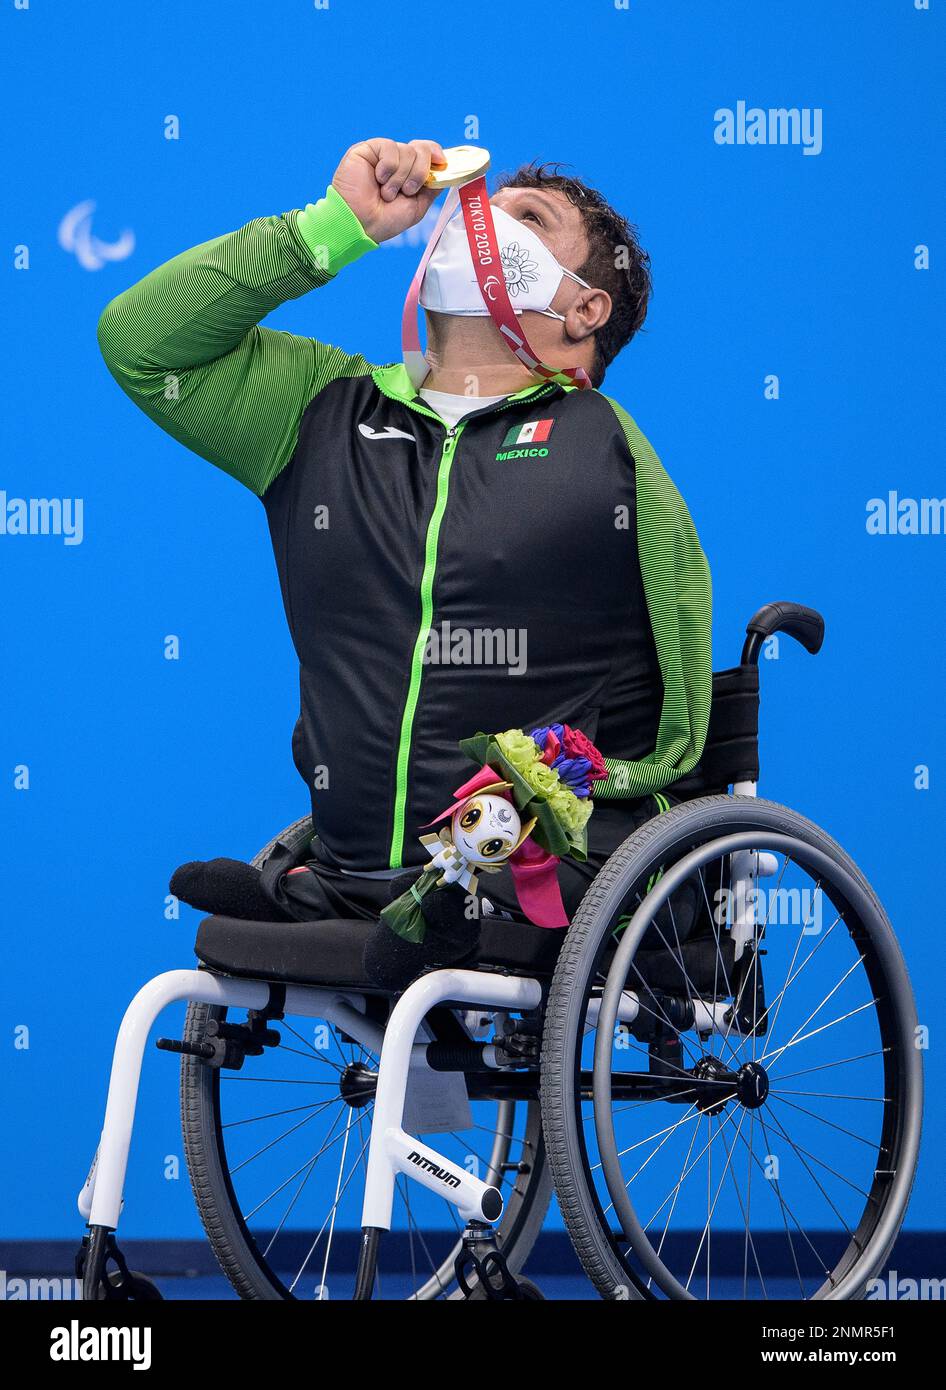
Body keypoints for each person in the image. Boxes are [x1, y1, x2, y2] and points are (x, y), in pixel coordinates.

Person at [97, 137, 712, 980]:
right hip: (355, 869)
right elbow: (140, 341)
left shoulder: (606, 449)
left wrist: (618, 799)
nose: (483, 215)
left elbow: (680, 700)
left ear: (584, 311)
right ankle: (341, 883)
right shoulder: (318, 408)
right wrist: (338, 226)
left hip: (540, 872)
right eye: (483, 204)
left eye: (526, 217)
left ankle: (453, 885)